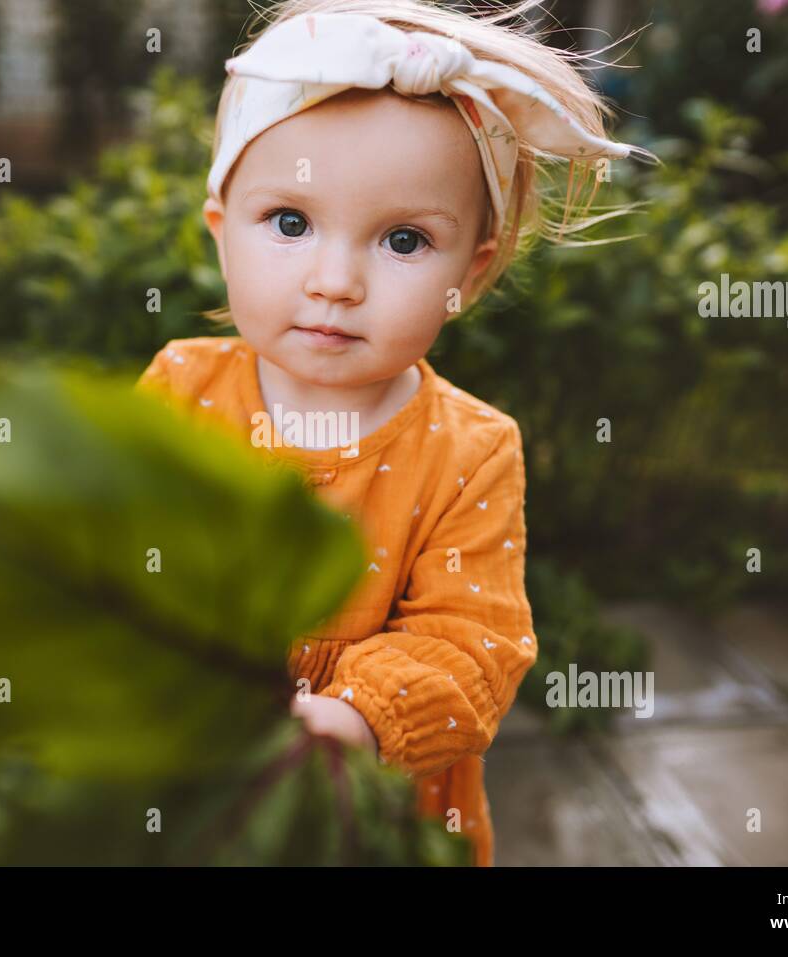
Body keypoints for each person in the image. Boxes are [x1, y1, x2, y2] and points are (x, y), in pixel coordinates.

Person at [136, 0, 650, 866]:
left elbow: (471, 645)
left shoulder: (470, 450)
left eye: (404, 239)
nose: (336, 281)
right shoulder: (178, 391)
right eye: (291, 223)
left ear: (472, 266)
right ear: (223, 227)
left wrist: (354, 717)